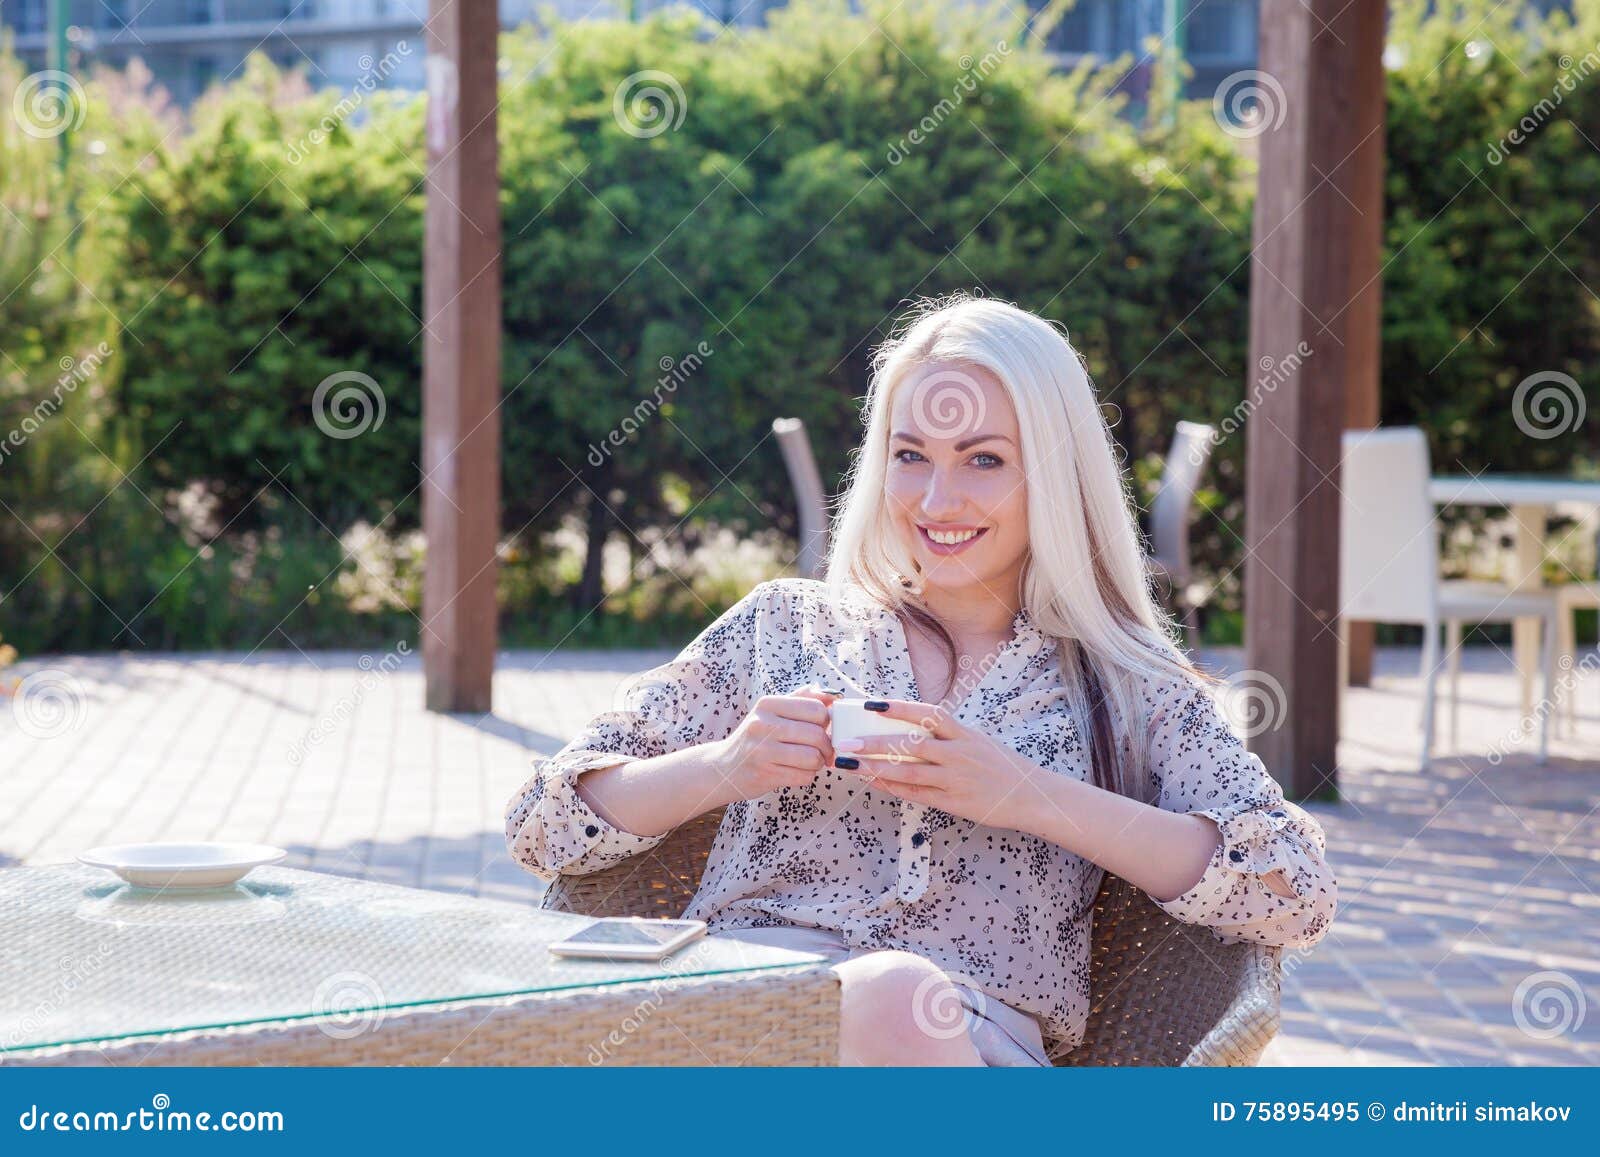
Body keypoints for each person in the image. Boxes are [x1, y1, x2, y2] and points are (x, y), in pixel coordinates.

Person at [506, 292, 1337, 1066]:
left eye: (983, 459)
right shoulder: (785, 625)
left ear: (1055, 470)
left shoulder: (1124, 682)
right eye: (913, 455)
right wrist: (726, 766)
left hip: (962, 1056)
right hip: (743, 1025)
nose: (939, 498)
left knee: (898, 1000)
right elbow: (544, 824)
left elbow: (1293, 890)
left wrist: (1029, 794)